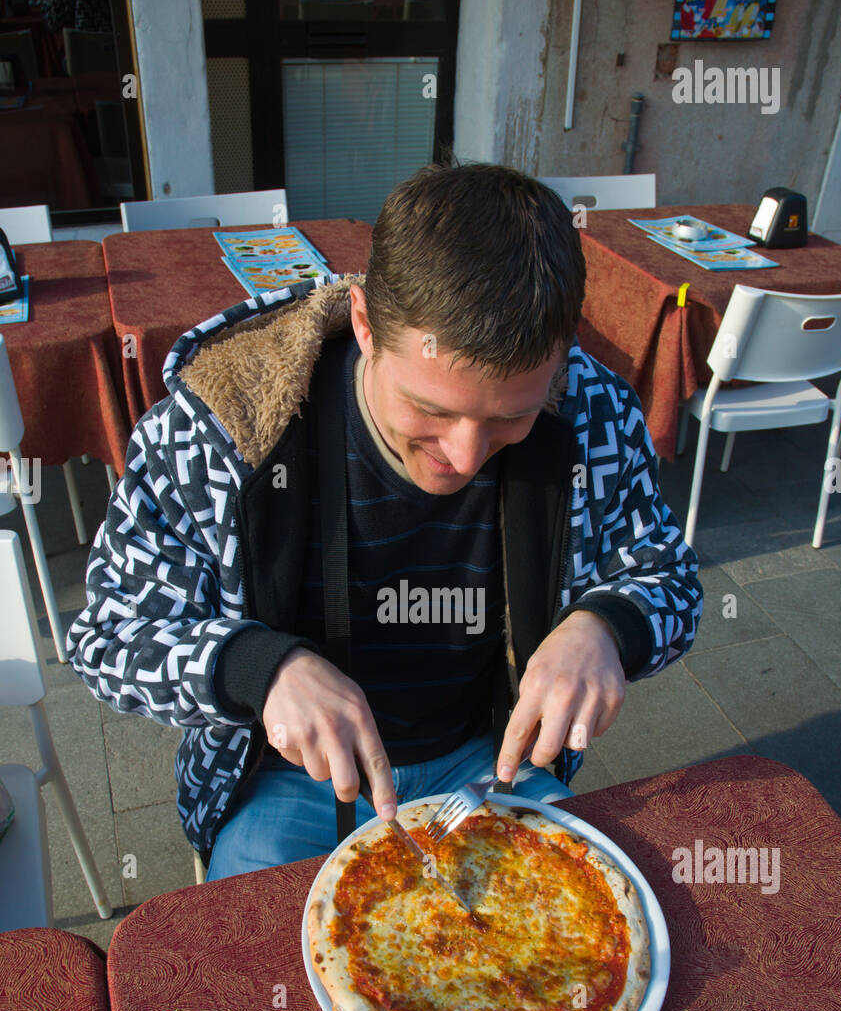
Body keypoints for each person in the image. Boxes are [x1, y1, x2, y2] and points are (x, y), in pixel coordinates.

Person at [67, 162, 702, 878]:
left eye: (510, 417)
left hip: (489, 762)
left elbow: (665, 574)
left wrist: (607, 627)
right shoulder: (220, 425)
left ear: (558, 361)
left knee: (571, 959)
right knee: (260, 968)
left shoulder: (591, 410)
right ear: (364, 324)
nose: (464, 456)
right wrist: (256, 667)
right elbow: (110, 636)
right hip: (285, 779)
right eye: (431, 410)